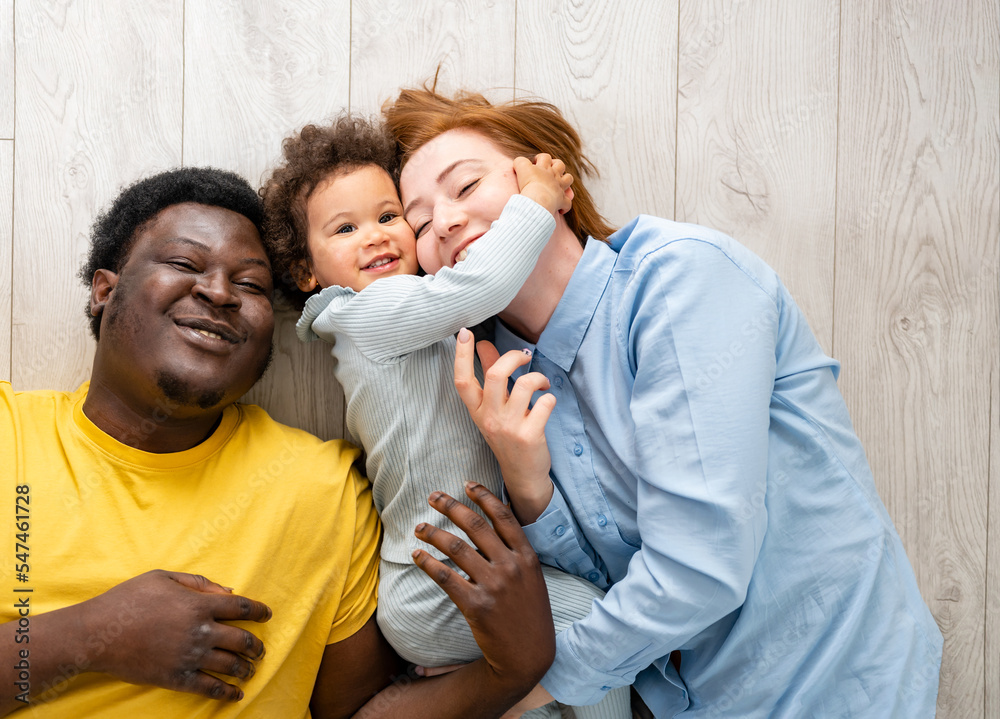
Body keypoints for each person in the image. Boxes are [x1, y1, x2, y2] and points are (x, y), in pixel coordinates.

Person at [383, 87, 945, 718]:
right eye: (420, 224)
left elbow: (699, 568)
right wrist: (528, 481)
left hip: (835, 685)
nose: (445, 222)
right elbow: (602, 588)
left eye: (466, 186)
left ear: (554, 188)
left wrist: (509, 691)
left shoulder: (681, 278)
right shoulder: (499, 378)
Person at [0, 166, 557, 718]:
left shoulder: (328, 491)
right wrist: (90, 636)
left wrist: (514, 670)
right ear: (105, 290)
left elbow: (362, 712)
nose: (219, 292)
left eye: (250, 285)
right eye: (184, 264)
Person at [258, 115, 631, 719]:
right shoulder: (362, 315)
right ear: (307, 272)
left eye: (389, 217)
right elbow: (478, 286)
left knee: (558, 680)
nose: (375, 237)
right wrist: (535, 202)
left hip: (471, 573)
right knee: (595, 620)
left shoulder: (419, 312)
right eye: (345, 228)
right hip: (434, 586)